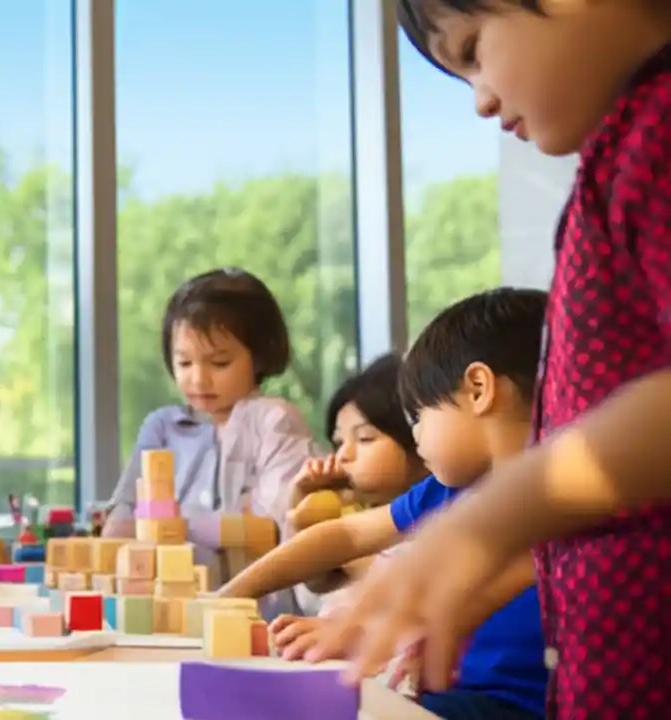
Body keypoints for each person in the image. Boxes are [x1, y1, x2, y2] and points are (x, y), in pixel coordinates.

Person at [310, 4, 671, 717]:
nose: (479, 100)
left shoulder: (658, 138)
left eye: (474, 50)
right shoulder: (623, 155)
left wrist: (489, 520)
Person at [221, 288, 549, 719]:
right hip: (456, 698)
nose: (415, 433)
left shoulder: (562, 500)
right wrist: (230, 595)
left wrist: (364, 627)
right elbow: (344, 533)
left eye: (420, 415)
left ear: (478, 389)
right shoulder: (448, 490)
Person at [101, 267, 319, 616]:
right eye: (184, 362)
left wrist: (184, 526)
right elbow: (126, 509)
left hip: (255, 609)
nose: (198, 378)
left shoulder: (273, 421)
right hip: (170, 607)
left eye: (219, 362)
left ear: (260, 355)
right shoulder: (162, 427)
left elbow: (287, 520)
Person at [270, 353, 430, 657]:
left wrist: (325, 537)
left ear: (420, 438)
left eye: (365, 438)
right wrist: (300, 506)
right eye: (339, 442)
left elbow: (393, 574)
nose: (344, 455)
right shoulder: (355, 512)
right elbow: (315, 587)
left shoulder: (437, 516)